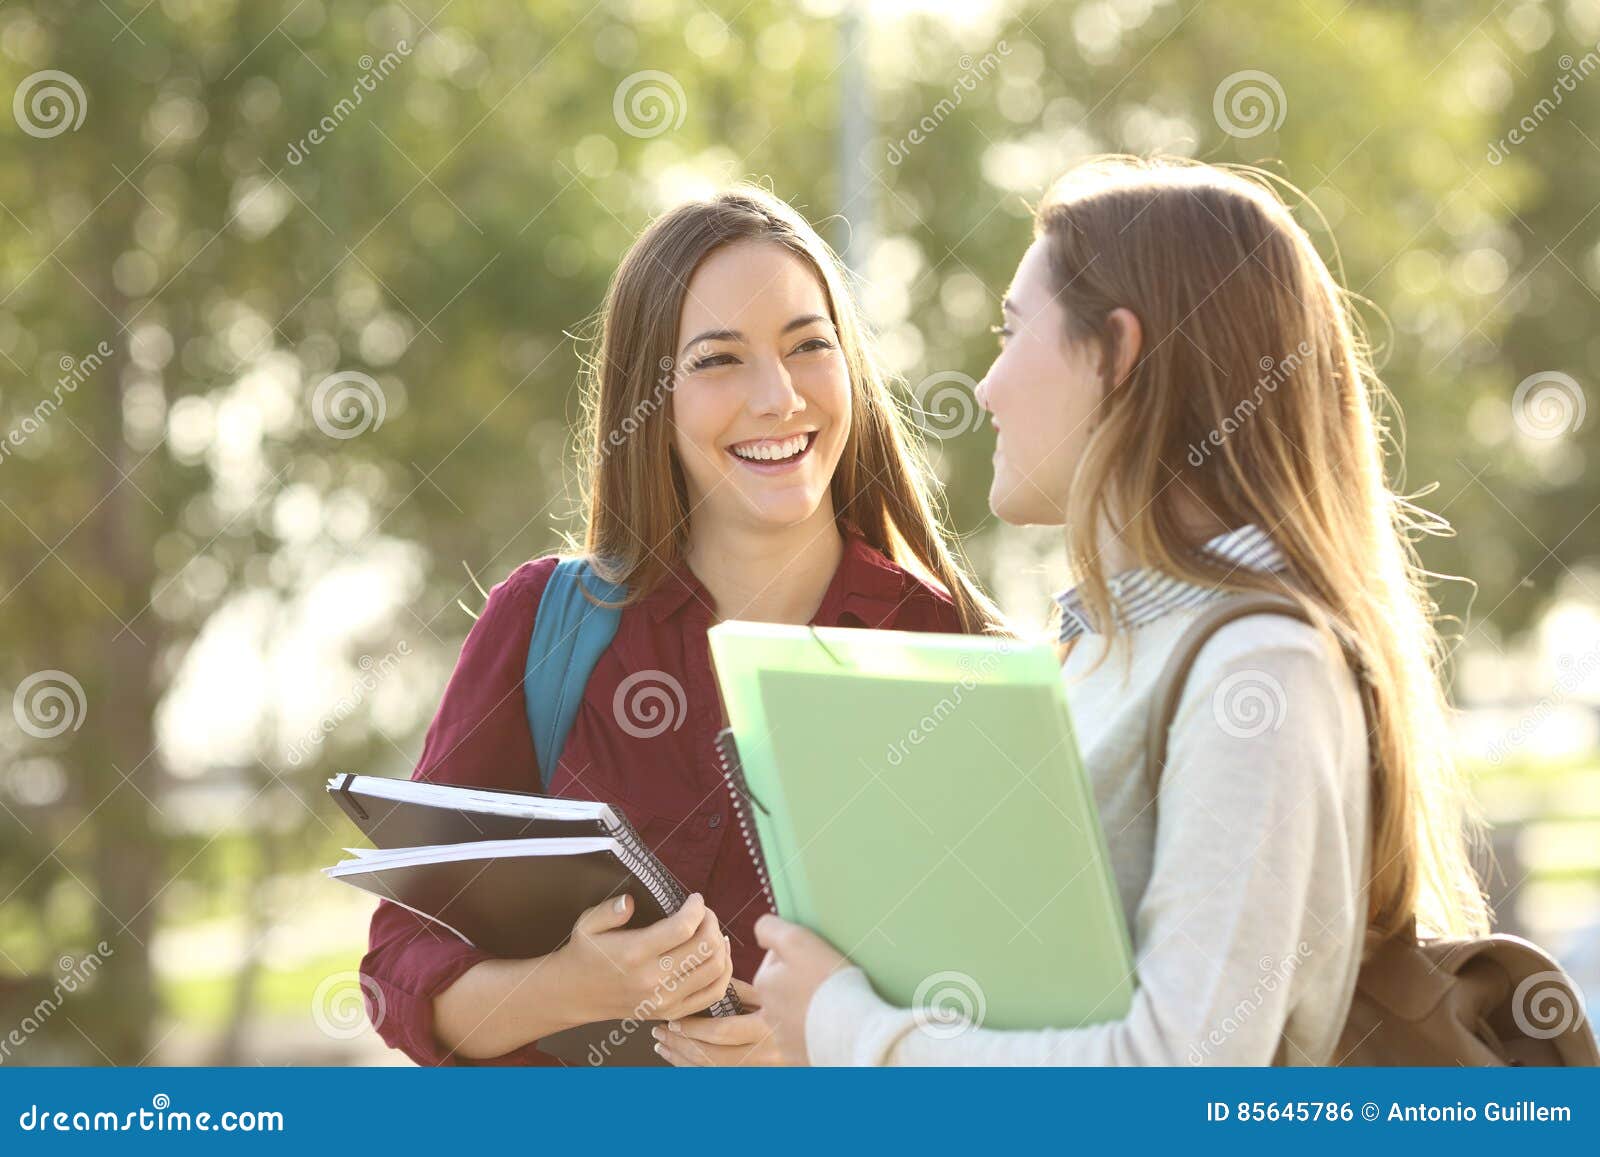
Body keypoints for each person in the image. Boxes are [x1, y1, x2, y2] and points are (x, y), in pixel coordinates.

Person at [747, 155, 1490, 1067]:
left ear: (1119, 353)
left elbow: (1177, 1076)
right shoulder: (1105, 645)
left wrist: (851, 1031)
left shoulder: (1260, 666)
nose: (985, 387)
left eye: (1012, 332)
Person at [359, 185, 1007, 1067]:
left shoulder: (957, 656)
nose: (778, 398)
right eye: (718, 360)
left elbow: (1028, 1024)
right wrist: (571, 987)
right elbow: (399, 969)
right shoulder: (544, 626)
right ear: (649, 398)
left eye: (809, 345)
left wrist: (825, 1055)